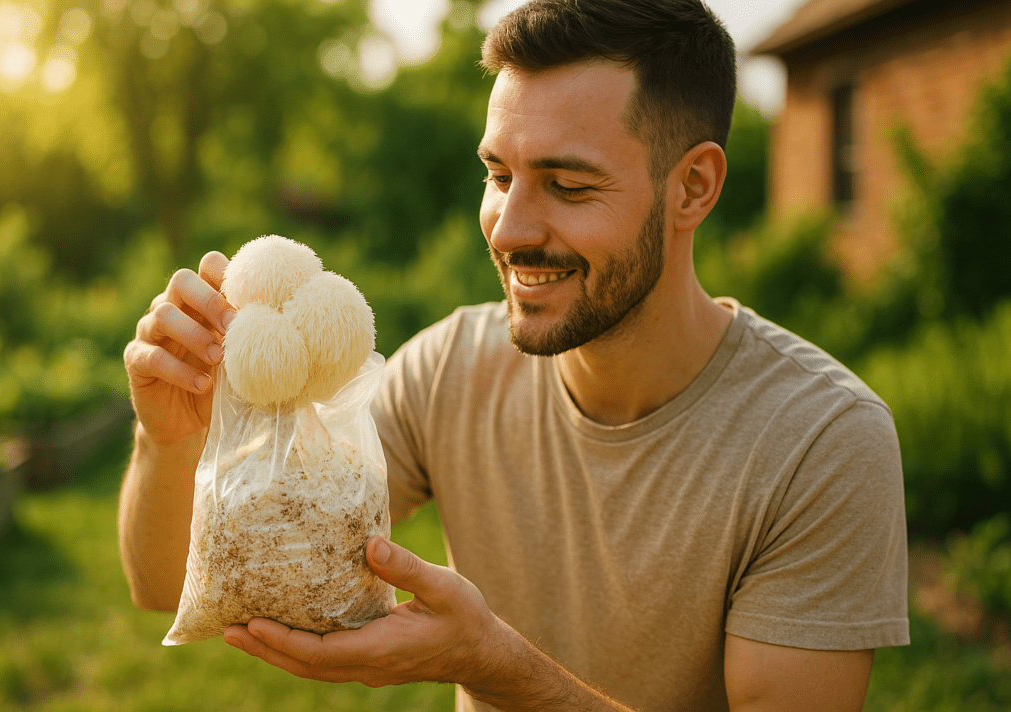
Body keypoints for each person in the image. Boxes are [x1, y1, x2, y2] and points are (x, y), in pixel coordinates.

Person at [118, 1, 910, 709]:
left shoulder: (822, 441)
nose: (508, 228)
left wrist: (495, 666)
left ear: (693, 187)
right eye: (500, 174)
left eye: (567, 185)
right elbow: (165, 584)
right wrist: (170, 435)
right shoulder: (447, 369)